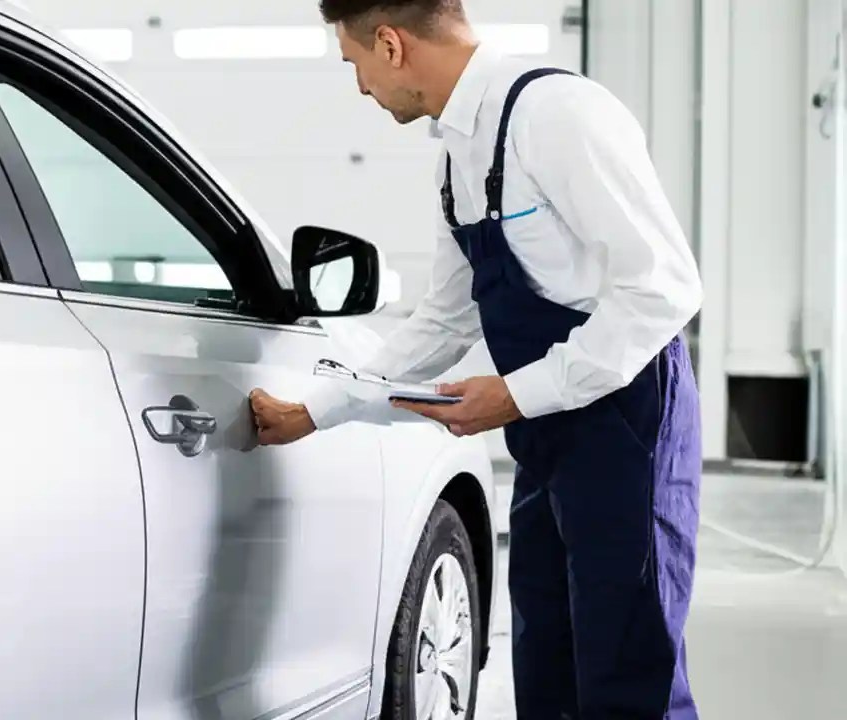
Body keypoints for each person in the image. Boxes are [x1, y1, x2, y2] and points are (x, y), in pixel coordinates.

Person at [249, 0, 704, 718]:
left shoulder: (559, 115)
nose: (361, 87)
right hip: (546, 436)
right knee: (546, 666)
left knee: (627, 673)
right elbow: (444, 318)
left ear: (391, 45)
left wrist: (516, 395)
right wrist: (319, 409)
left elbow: (663, 289)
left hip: (627, 426)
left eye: (354, 63)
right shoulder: (457, 158)